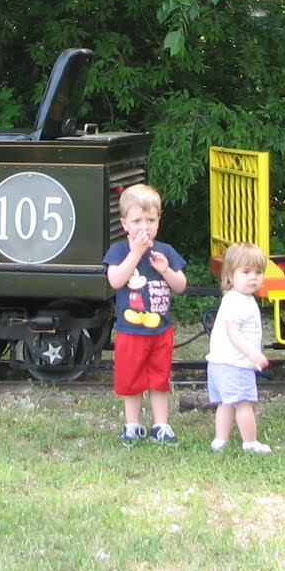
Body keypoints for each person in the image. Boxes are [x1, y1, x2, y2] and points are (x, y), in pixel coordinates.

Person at [104, 183, 187, 444]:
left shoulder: (165, 251)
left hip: (161, 331)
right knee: (131, 380)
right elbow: (116, 280)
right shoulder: (118, 251)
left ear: (158, 222)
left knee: (159, 379)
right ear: (124, 224)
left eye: (150, 220)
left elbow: (181, 285)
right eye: (137, 220)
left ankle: (161, 425)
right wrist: (136, 253)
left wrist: (166, 270)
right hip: (130, 332)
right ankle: (132, 424)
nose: (144, 226)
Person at [206, 241, 272, 453]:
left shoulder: (232, 297)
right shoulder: (239, 302)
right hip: (235, 364)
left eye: (259, 272)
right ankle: (250, 442)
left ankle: (220, 440)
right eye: (246, 271)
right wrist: (253, 355)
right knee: (244, 403)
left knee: (225, 403)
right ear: (230, 276)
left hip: (218, 363)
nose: (254, 277)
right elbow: (234, 334)